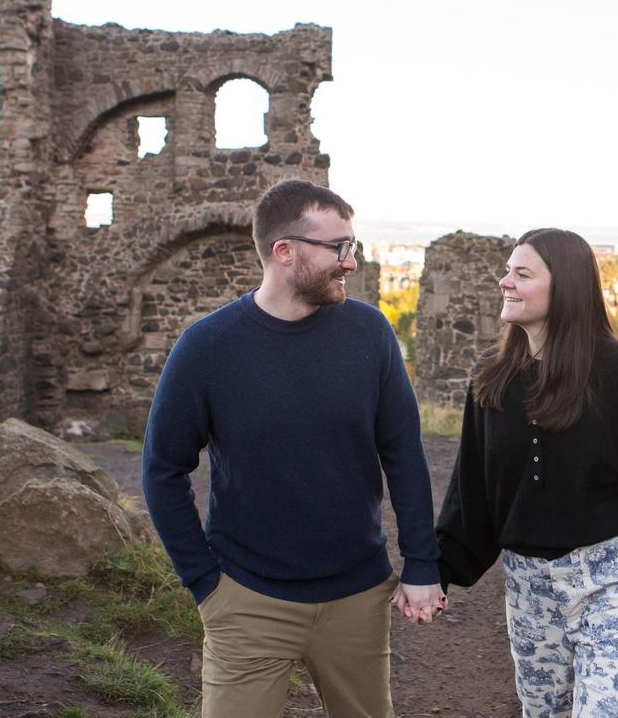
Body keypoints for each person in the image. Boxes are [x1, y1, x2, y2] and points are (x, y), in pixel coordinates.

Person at [142, 180, 445, 718]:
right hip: (246, 599)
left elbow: (402, 452)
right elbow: (163, 469)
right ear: (285, 252)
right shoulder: (208, 346)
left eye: (354, 246)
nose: (351, 262)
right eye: (339, 247)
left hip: (357, 595)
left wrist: (422, 563)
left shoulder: (369, 332)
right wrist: (204, 582)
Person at [436, 228, 618, 718]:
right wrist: (436, 570)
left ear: (563, 286)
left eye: (521, 274)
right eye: (507, 270)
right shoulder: (491, 378)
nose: (505, 281)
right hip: (528, 590)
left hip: (611, 583)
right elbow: (473, 492)